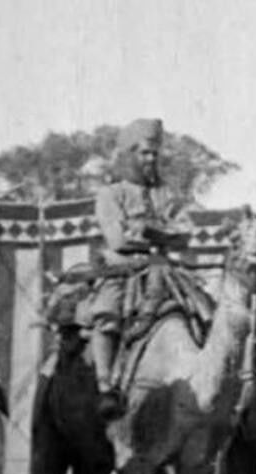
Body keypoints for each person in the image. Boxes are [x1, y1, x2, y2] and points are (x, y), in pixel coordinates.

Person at [90, 117, 192, 420]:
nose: (150, 159)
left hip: (165, 268)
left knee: (204, 311)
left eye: (154, 153)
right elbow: (118, 240)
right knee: (107, 315)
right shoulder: (111, 194)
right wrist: (163, 234)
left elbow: (185, 235)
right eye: (144, 153)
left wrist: (148, 231)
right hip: (124, 269)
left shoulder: (168, 194)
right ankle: (106, 386)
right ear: (129, 155)